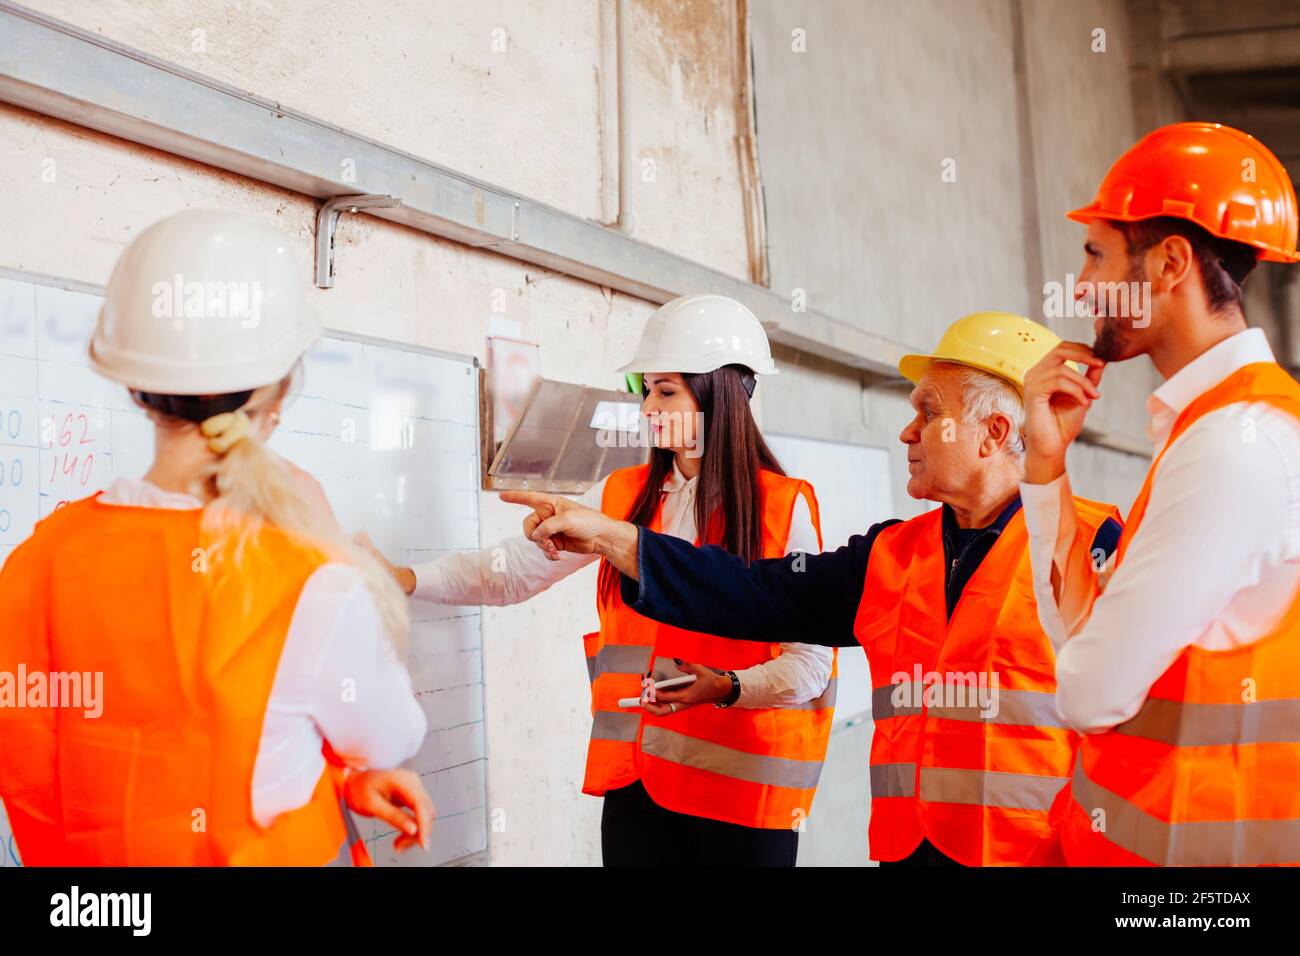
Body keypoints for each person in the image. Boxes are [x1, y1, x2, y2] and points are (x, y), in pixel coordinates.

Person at [503, 312, 1124, 866]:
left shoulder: (1093, 547)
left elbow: (1145, 733)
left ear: (991, 432)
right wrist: (618, 539)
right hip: (914, 850)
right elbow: (752, 591)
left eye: (928, 413)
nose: (907, 433)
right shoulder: (894, 553)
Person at [0, 209, 433, 865]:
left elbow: (44, 772)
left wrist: (339, 777)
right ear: (281, 389)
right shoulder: (308, 576)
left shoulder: (37, 562)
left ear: (135, 389)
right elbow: (389, 736)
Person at [367, 294, 834, 866]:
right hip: (637, 788)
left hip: (740, 803)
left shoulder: (782, 508)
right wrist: (404, 578)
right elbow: (511, 572)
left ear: (722, 393)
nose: (647, 408)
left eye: (667, 391)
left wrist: (728, 687)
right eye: (646, 390)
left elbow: (809, 666)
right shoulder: (622, 495)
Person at [1019, 122, 1300, 866]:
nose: (1081, 287)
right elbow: (1085, 643)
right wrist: (1046, 467)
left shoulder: (1235, 447)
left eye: (1096, 254)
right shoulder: (1210, 430)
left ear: (1170, 261)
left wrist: (1082, 656)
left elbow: (1086, 693)